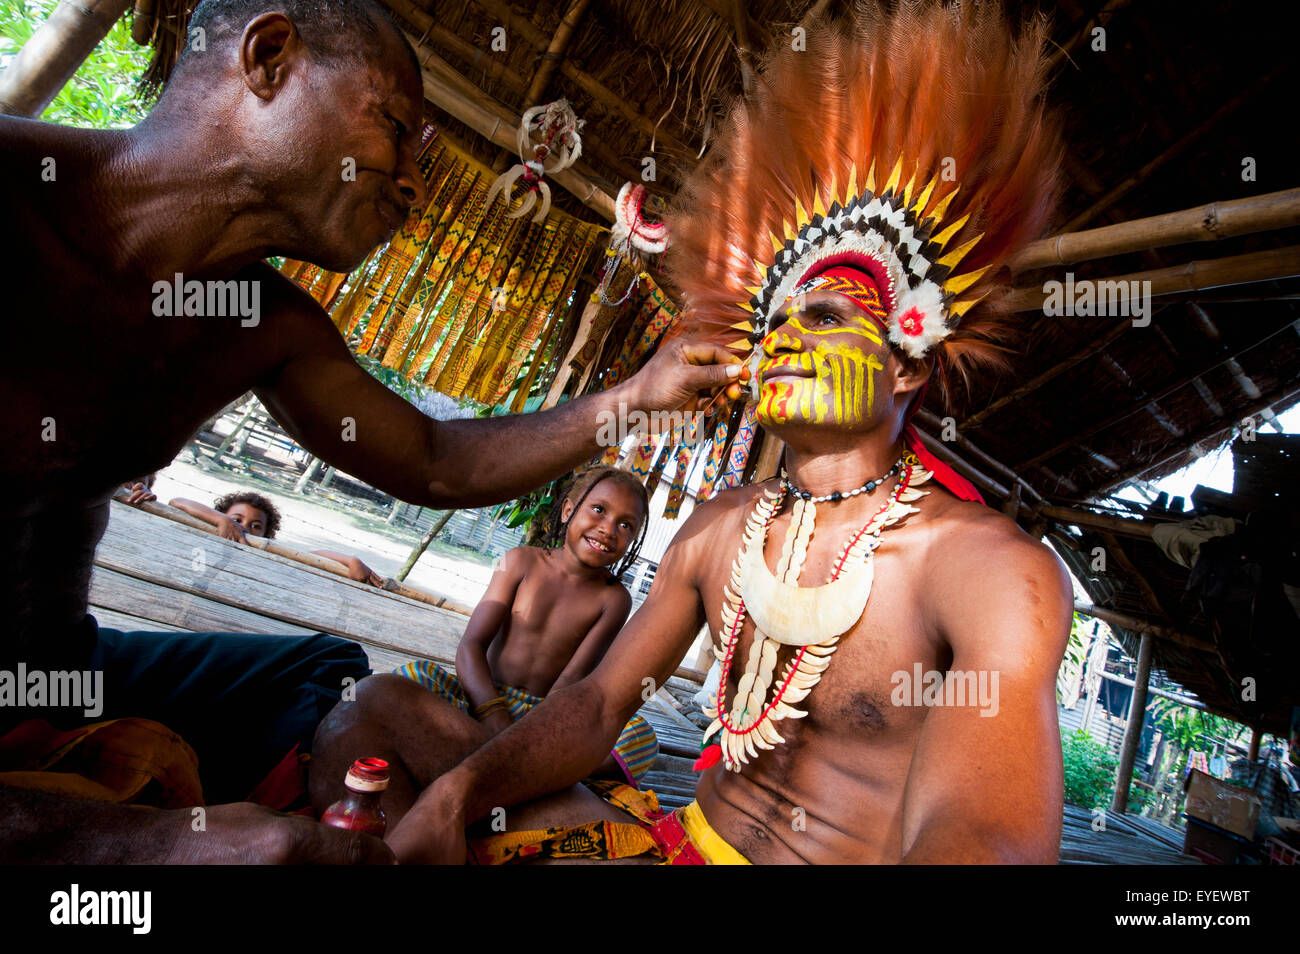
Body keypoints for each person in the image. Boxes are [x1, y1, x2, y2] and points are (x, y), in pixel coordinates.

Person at [330, 0, 1074, 864]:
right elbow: (601, 706)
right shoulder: (720, 527)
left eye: (827, 316)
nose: (786, 337)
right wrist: (461, 795)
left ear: (907, 365)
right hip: (676, 843)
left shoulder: (988, 570)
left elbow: (984, 839)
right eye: (776, 322)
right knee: (372, 713)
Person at [0, 0, 743, 863]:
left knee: (326, 677)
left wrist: (644, 391)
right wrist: (141, 848)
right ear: (269, 56)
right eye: (395, 126)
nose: (415, 181)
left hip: (63, 673)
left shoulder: (255, 323)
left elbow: (437, 461)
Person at [314, 467, 658, 811]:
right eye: (598, 510)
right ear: (568, 510)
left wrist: (537, 735)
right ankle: (531, 774)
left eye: (626, 525)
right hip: (477, 696)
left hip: (543, 714)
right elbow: (471, 646)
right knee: (410, 676)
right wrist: (492, 714)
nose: (608, 529)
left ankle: (534, 766)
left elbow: (571, 682)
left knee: (641, 738)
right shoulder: (521, 561)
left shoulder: (614, 600)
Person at [170, 490, 384, 585]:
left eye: (255, 526)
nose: (243, 528)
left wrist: (350, 560)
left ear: (265, 533)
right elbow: (177, 501)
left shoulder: (261, 552)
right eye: (237, 519)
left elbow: (308, 556)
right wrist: (221, 521)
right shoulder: (210, 531)